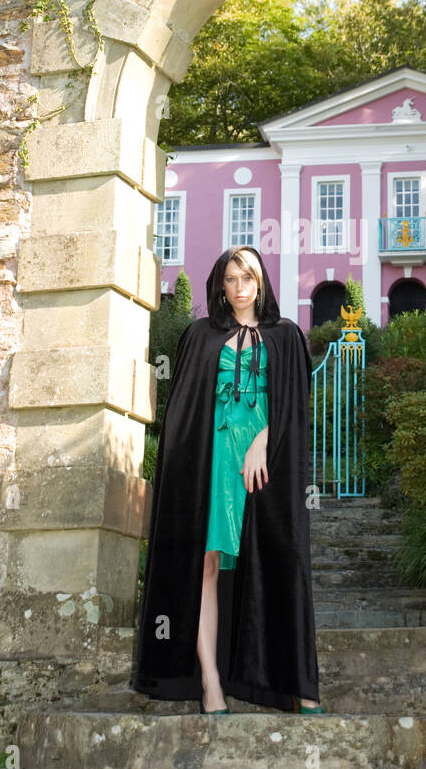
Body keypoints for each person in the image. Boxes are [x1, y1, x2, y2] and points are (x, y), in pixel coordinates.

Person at [132, 246, 323, 714]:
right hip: (210, 462)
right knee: (206, 566)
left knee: (282, 559)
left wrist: (265, 439)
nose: (240, 288)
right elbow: (184, 413)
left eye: (248, 278)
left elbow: (296, 409)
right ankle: (211, 683)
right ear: (220, 284)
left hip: (265, 464)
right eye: (231, 279)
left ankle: (296, 682)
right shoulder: (200, 336)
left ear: (262, 282)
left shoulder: (287, 335)